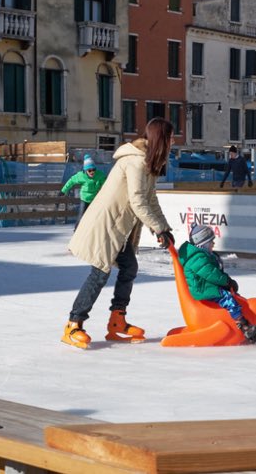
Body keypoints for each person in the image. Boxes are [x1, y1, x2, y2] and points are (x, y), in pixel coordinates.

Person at [62, 118, 177, 349]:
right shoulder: (135, 162)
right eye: (171, 137)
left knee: (129, 267)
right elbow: (137, 201)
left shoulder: (148, 162)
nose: (173, 142)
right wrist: (157, 228)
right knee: (99, 273)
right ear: (160, 138)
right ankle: (73, 324)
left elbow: (150, 199)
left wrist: (164, 228)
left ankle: (117, 321)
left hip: (119, 228)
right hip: (106, 225)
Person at [176, 224, 256, 343]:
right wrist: (226, 281)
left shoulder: (201, 255)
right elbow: (211, 274)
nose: (213, 244)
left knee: (232, 295)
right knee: (228, 298)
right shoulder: (197, 258)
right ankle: (244, 326)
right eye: (211, 242)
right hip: (203, 289)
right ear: (203, 243)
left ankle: (240, 317)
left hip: (207, 285)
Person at [60, 155, 108, 229]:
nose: (92, 172)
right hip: (85, 199)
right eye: (89, 170)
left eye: (93, 169)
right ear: (85, 170)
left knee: (96, 217)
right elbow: (71, 181)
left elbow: (106, 183)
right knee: (81, 217)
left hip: (95, 199)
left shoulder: (99, 175)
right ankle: (76, 231)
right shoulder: (81, 176)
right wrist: (63, 190)